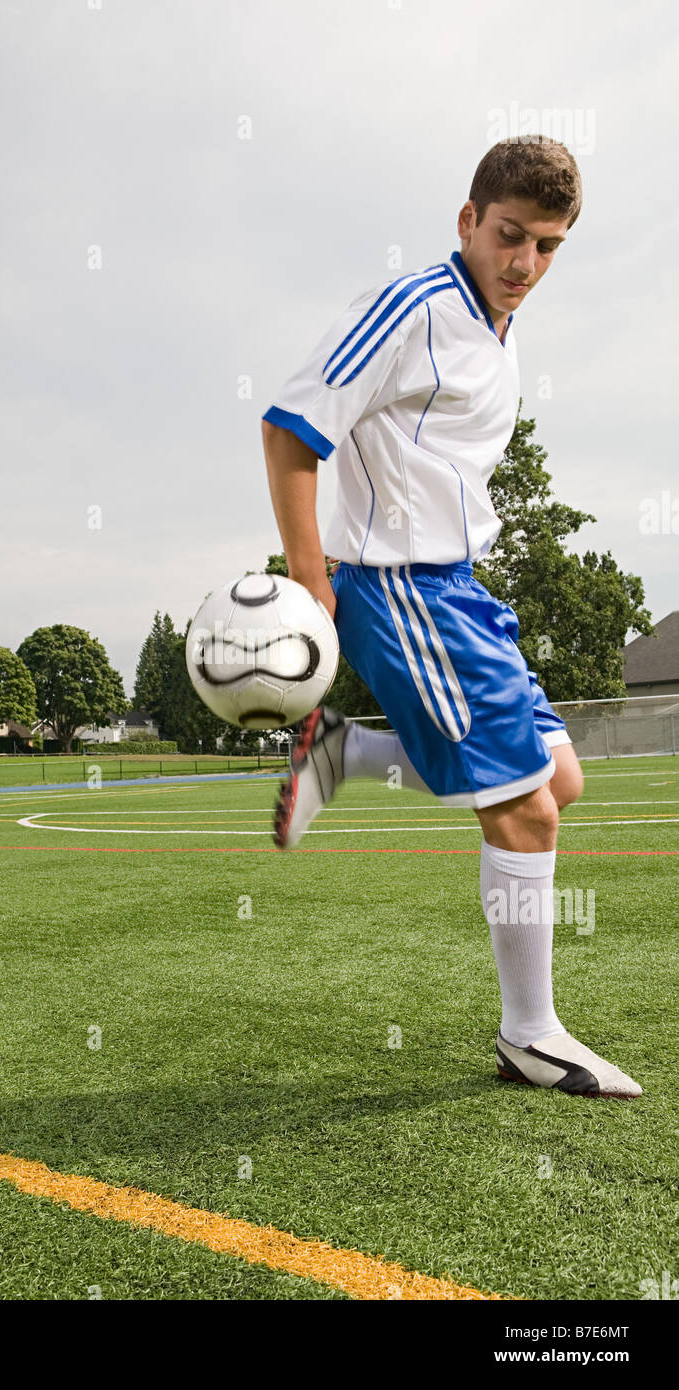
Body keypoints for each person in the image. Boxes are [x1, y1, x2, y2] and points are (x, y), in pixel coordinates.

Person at [261, 136, 640, 1099]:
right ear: (469, 220)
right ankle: (531, 1034)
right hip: (400, 588)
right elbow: (290, 427)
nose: (526, 263)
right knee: (524, 807)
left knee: (560, 775)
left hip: (460, 590)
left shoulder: (495, 329)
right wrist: (314, 581)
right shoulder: (413, 307)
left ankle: (346, 752)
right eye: (510, 236)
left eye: (548, 246)